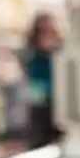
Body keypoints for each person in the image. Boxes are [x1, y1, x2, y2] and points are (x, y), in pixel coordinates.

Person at [23, 12, 62, 149]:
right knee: (40, 136)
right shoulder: (33, 54)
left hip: (56, 100)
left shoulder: (59, 51)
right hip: (41, 101)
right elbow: (33, 78)